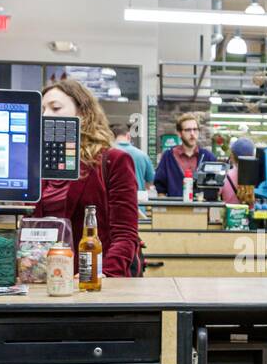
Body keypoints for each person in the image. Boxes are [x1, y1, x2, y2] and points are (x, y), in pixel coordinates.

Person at [34, 80, 143, 276]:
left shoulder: (113, 161)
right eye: (42, 109)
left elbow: (125, 234)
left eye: (55, 108)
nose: (45, 115)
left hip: (92, 281)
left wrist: (103, 274)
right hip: (48, 279)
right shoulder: (39, 165)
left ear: (83, 113)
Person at [154, 112, 216, 196]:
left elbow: (215, 186)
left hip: (201, 207)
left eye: (195, 129)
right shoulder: (168, 157)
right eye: (188, 130)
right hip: (175, 207)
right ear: (179, 133)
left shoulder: (208, 157)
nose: (192, 134)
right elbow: (160, 188)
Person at [111, 121, 155, 192]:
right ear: (128, 135)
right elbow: (150, 181)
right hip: (137, 200)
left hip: (114, 200)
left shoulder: (106, 154)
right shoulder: (142, 155)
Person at [219, 137, 255, 203]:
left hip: (229, 213)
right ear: (253, 156)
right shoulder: (258, 178)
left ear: (232, 157)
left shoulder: (224, 177)